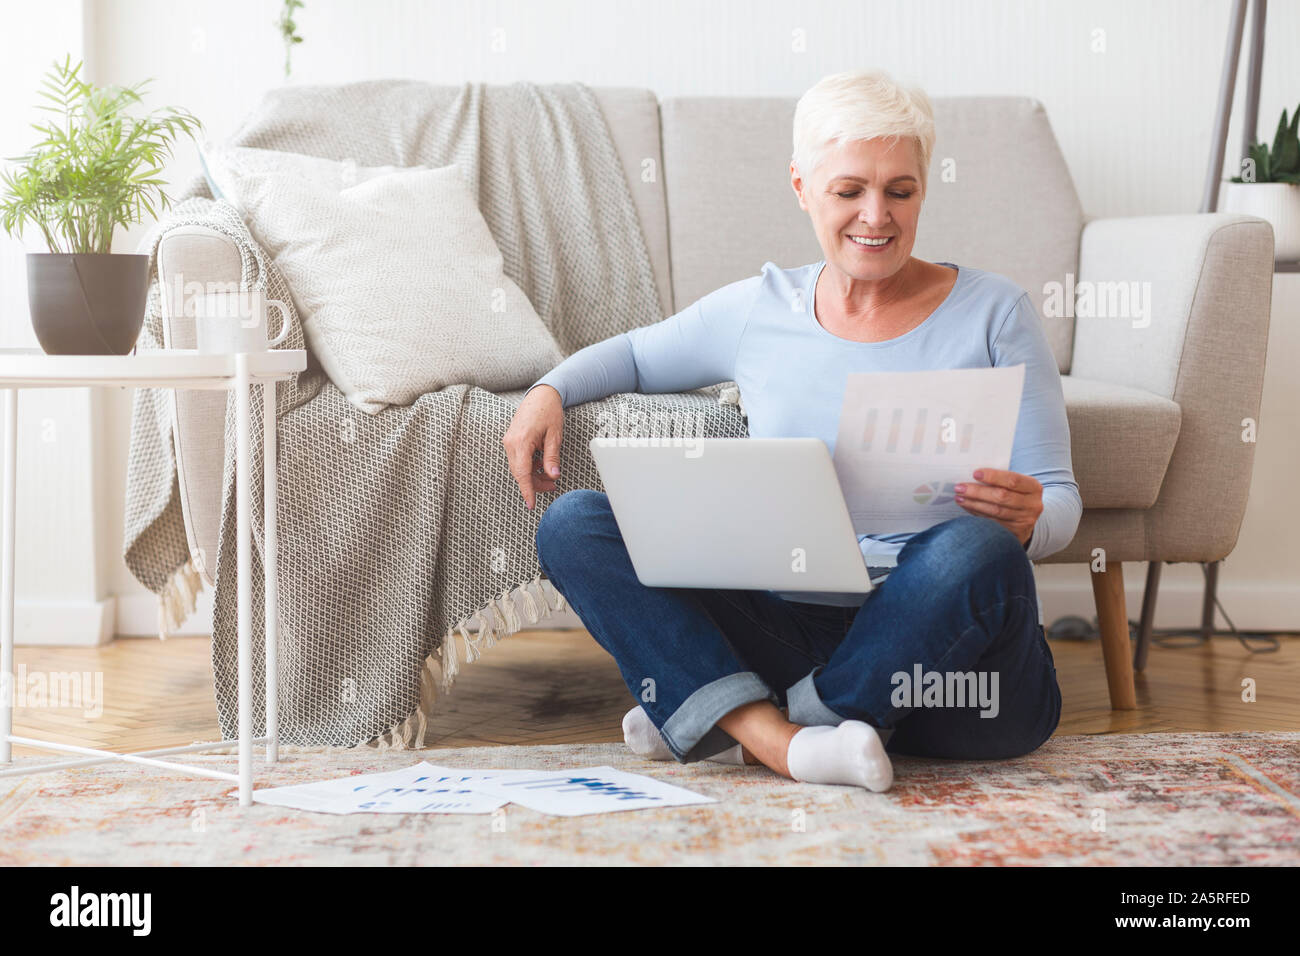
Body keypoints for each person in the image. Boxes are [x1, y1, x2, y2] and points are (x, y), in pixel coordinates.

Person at [502, 69, 1081, 792]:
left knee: (979, 549)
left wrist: (1031, 520)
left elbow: (1059, 500)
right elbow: (635, 356)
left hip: (954, 675)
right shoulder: (761, 308)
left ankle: (736, 720)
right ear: (802, 186)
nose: (877, 216)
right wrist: (548, 390)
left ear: (923, 188)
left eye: (900, 191)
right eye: (849, 191)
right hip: (793, 629)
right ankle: (785, 739)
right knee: (575, 524)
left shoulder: (996, 312)